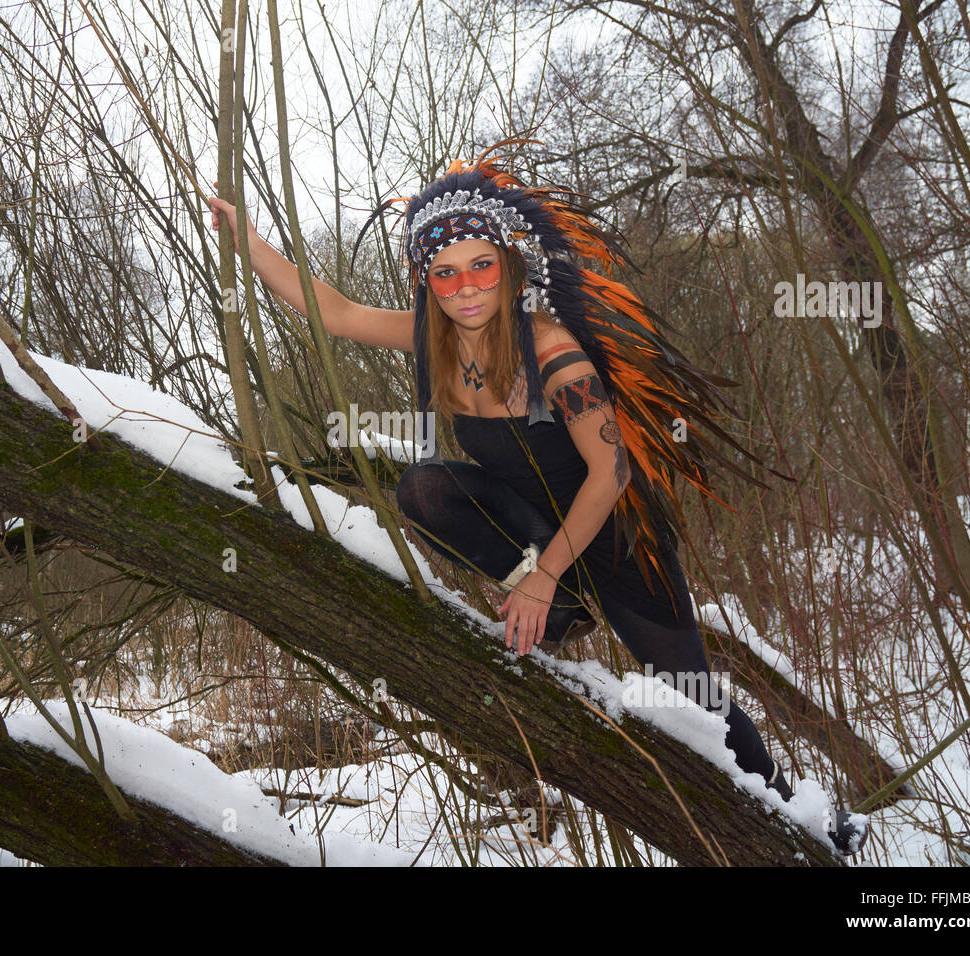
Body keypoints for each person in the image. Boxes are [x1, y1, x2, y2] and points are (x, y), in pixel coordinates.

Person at [205, 141, 866, 855]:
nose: (464, 287)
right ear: (426, 280)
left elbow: (611, 474)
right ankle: (568, 610)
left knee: (694, 696)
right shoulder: (434, 343)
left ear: (507, 265)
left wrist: (546, 574)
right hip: (535, 532)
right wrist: (246, 240)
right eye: (445, 272)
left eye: (479, 266)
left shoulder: (551, 350)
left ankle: (806, 821)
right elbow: (331, 312)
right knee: (424, 486)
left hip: (618, 539)